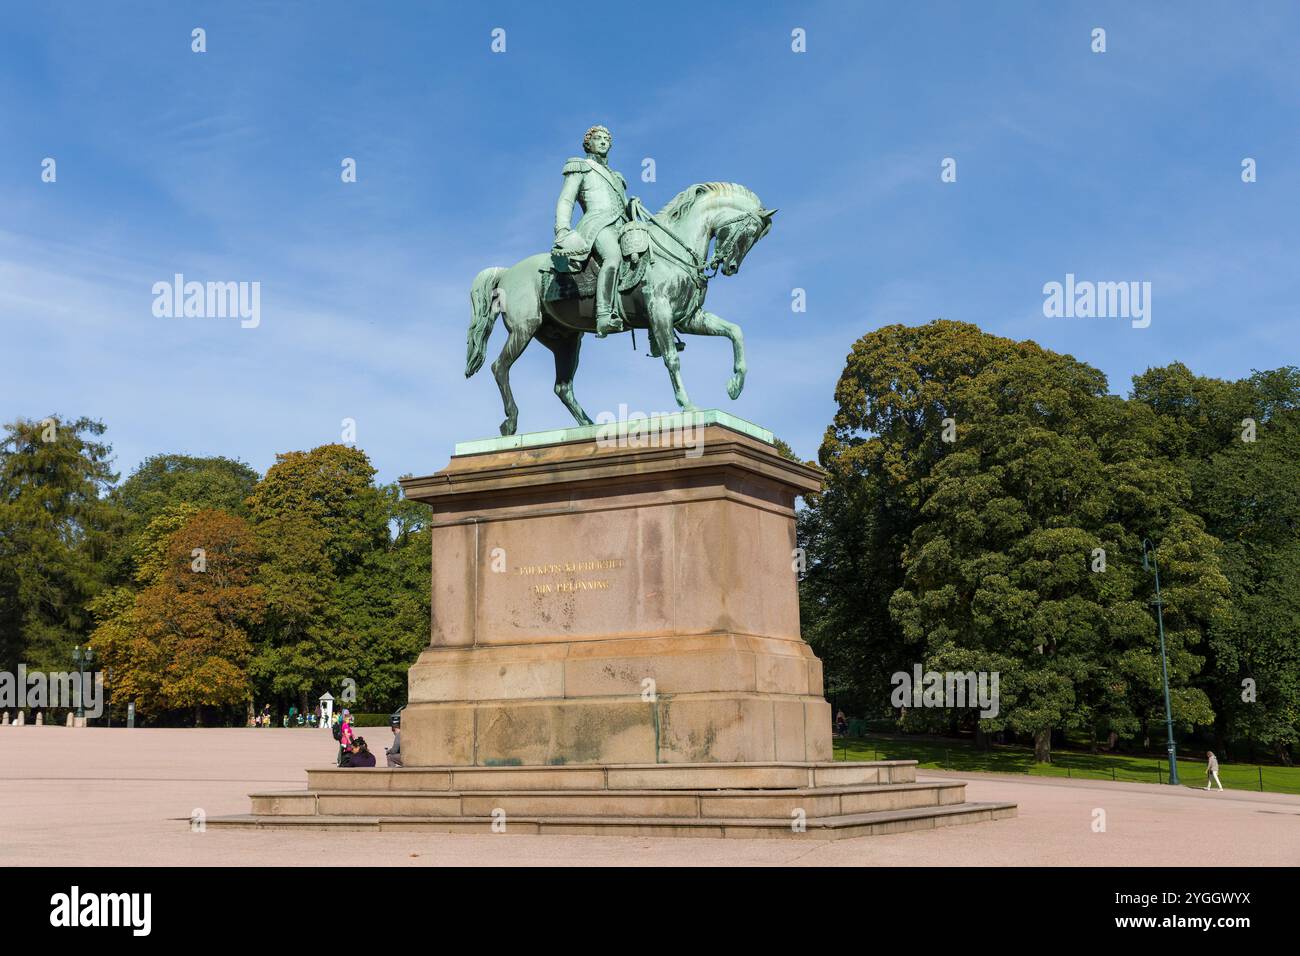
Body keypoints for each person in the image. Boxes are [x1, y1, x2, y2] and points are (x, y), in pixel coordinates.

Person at [552, 124, 632, 337]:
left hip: (621, 225)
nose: (604, 141)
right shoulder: (580, 166)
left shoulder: (617, 177)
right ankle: (604, 316)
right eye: (598, 138)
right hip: (598, 225)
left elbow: (621, 205)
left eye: (607, 138)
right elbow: (566, 200)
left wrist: (631, 206)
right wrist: (562, 229)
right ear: (589, 143)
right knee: (613, 258)